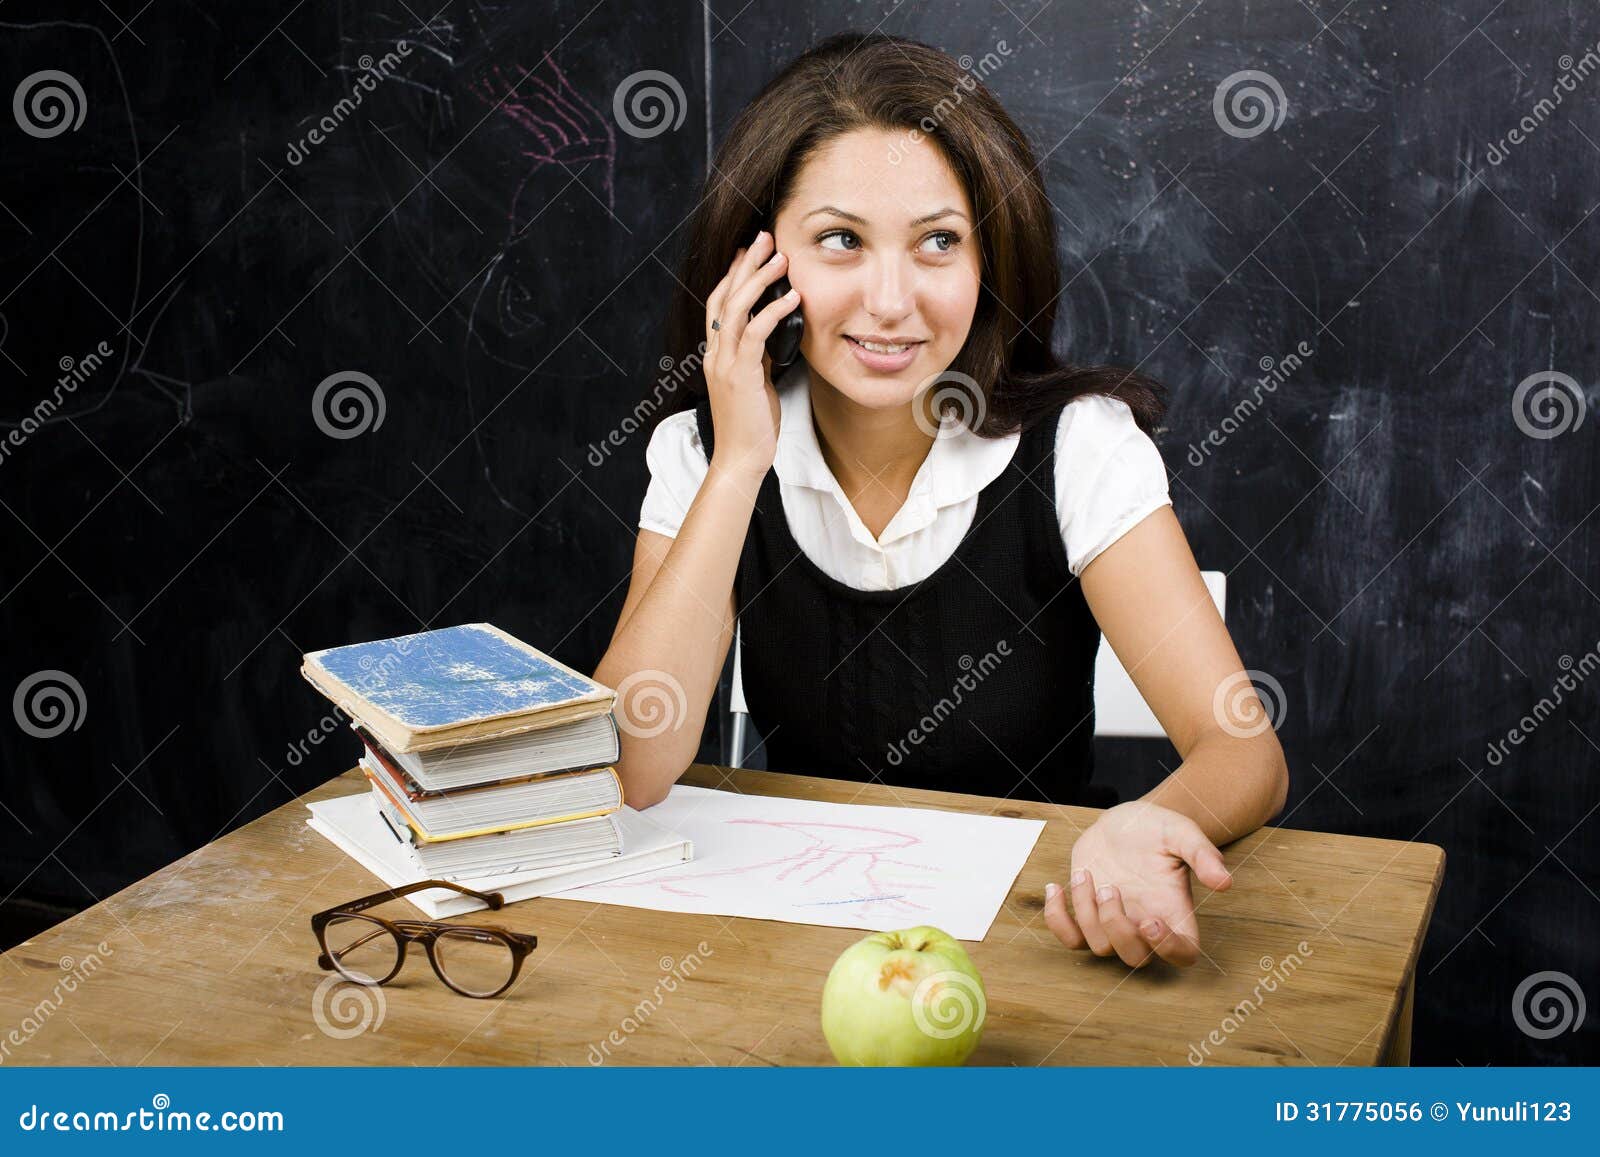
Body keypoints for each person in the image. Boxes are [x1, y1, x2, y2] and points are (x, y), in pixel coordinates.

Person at [594, 31, 1289, 970]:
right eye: (840, 240)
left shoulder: (1077, 449)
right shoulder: (705, 455)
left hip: (1038, 939)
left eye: (938, 242)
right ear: (759, 266)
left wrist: (1149, 822)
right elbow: (633, 767)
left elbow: (1243, 751)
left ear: (988, 257)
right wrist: (739, 463)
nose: (891, 300)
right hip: (790, 945)